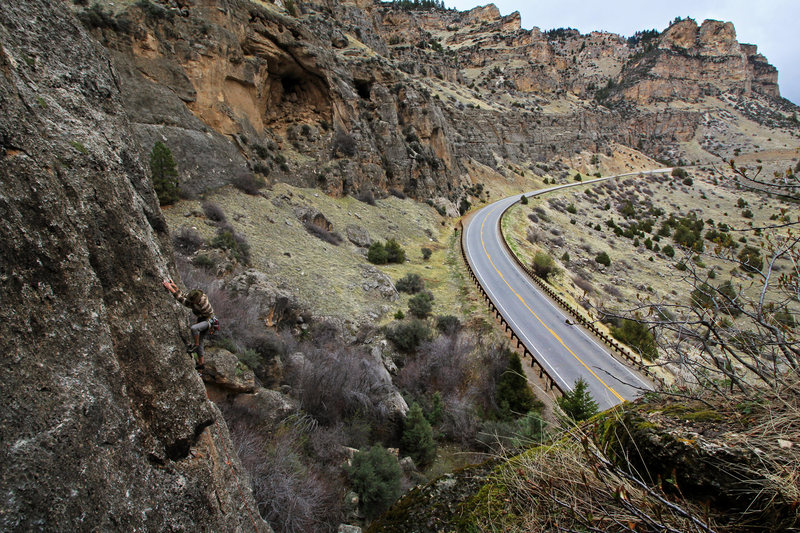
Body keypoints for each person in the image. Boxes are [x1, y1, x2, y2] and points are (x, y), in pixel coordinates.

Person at [162, 279, 216, 370]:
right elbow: (186, 297)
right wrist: (175, 287)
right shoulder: (200, 297)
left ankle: (195, 346)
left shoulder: (202, 304)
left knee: (194, 329)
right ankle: (201, 363)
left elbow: (182, 300)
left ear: (197, 301)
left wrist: (170, 288)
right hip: (204, 319)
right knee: (200, 340)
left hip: (208, 321)